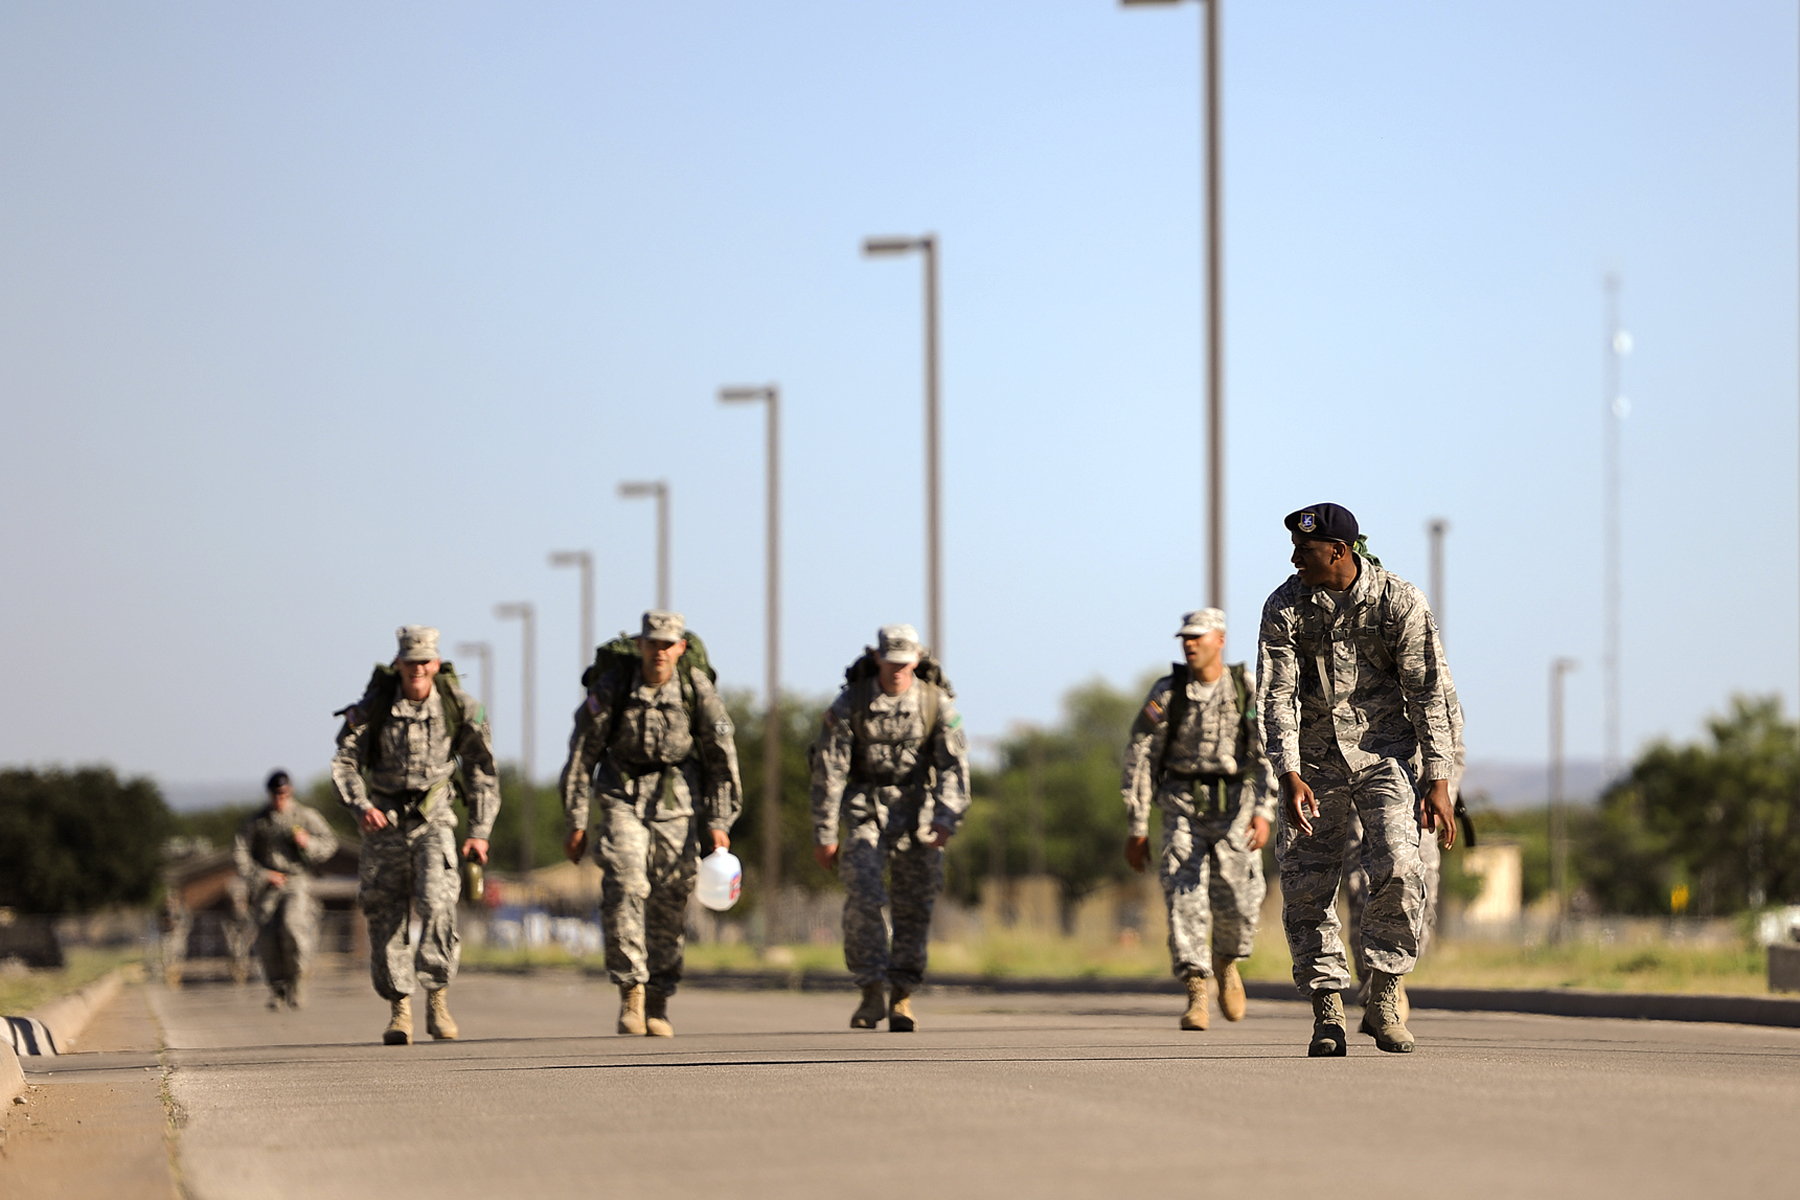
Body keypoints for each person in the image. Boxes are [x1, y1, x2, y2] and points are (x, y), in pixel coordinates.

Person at [1257, 504, 1458, 1056]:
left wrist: (1439, 778)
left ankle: (1385, 997)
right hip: (1313, 766)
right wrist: (1288, 773)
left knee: (1399, 866)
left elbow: (1429, 693)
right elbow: (1275, 696)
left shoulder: (1399, 602)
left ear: (1339, 552)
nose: (1295, 560)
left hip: (1384, 758)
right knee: (1307, 886)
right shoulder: (1285, 606)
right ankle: (1327, 1013)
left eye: (1306, 551)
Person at [559, 611, 742, 1038]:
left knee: (671, 896)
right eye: (653, 643)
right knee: (625, 883)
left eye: (668, 644)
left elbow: (722, 758)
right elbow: (582, 755)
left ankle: (659, 998)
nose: (660, 652)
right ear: (640, 645)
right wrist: (576, 820)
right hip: (621, 794)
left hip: (677, 799)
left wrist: (719, 821)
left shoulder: (696, 689)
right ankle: (632, 992)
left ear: (680, 647)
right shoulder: (615, 688)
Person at [331, 626, 499, 1045]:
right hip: (384, 820)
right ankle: (399, 1009)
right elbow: (345, 761)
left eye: (424, 661)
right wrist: (360, 806)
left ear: (436, 664)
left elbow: (482, 769)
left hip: (434, 817)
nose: (417, 669)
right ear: (398, 664)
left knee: (438, 902)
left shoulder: (460, 707)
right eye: (410, 662)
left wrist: (479, 831)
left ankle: (437, 999)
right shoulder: (374, 709)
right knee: (385, 914)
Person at [1120, 608, 1277, 1031]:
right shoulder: (1168, 692)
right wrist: (1137, 826)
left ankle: (1227, 962)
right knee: (1183, 898)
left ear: (1219, 640)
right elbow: (1140, 756)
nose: (1189, 644)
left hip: (1235, 809)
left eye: (1198, 637)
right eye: (1185, 638)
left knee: (1241, 901)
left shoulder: (1244, 688)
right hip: (1182, 808)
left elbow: (1268, 752)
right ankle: (1196, 992)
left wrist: (1264, 812)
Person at [810, 624, 970, 1032]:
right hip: (866, 811)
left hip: (919, 814)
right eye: (890, 661)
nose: (897, 670)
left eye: (904, 662)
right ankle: (870, 989)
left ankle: (902, 994)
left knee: (914, 905)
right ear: (877, 658)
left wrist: (946, 818)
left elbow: (954, 767)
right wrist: (825, 833)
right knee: (864, 895)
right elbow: (830, 771)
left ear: (916, 659)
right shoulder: (852, 702)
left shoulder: (935, 704)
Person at [1345, 680, 1465, 1019]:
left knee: (1421, 894)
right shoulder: (1361, 676)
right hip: (1363, 800)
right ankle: (1379, 983)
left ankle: (1394, 973)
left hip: (1419, 803)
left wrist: (1444, 792)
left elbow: (1454, 749)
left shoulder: (1431, 683)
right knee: (1362, 890)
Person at [233, 770, 339, 1009]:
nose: (280, 797)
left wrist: (308, 843)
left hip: (296, 881)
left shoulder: (305, 816)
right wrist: (262, 875)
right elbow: (240, 853)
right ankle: (278, 989)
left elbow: (330, 842)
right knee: (268, 938)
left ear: (290, 791)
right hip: (268, 883)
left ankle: (297, 983)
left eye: (284, 792)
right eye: (275, 793)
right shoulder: (258, 821)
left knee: (292, 928)